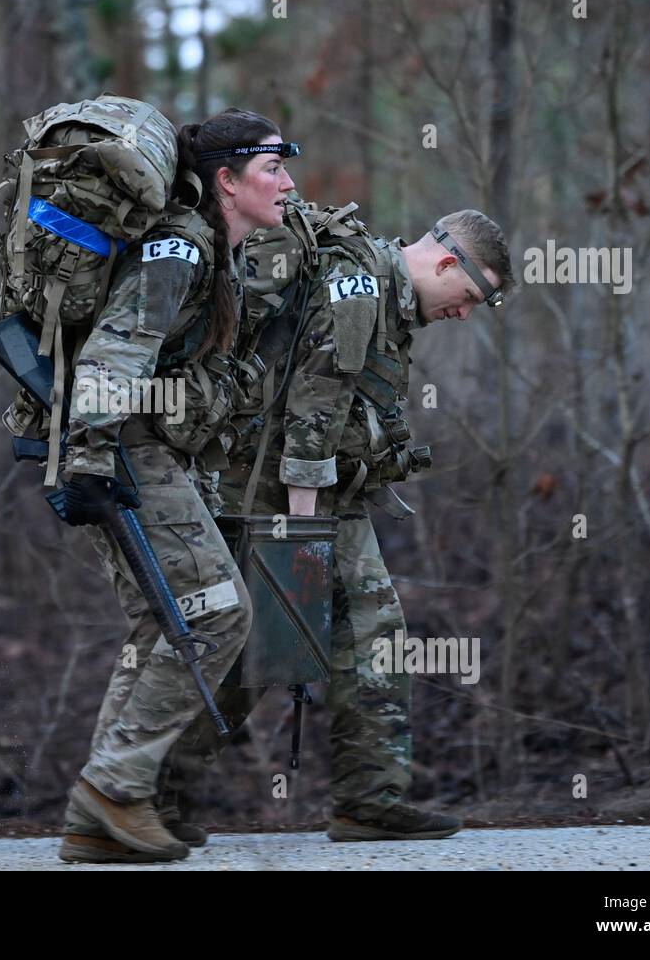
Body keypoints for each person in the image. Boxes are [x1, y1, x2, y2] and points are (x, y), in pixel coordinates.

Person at [158, 204, 514, 843]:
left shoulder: (386, 296)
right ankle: (151, 790)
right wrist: (304, 532)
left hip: (323, 492)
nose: (464, 313)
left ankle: (369, 799)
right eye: (470, 296)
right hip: (279, 490)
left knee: (368, 631)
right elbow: (316, 402)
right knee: (263, 641)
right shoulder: (360, 285)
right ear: (447, 261)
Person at [55, 109, 299, 863]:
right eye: (271, 167)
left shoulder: (218, 250)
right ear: (226, 180)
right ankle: (115, 786)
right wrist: (90, 455)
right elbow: (119, 344)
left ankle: (99, 818)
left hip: (144, 447)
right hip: (122, 448)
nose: (289, 181)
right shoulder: (183, 245)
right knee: (218, 612)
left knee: (164, 623)